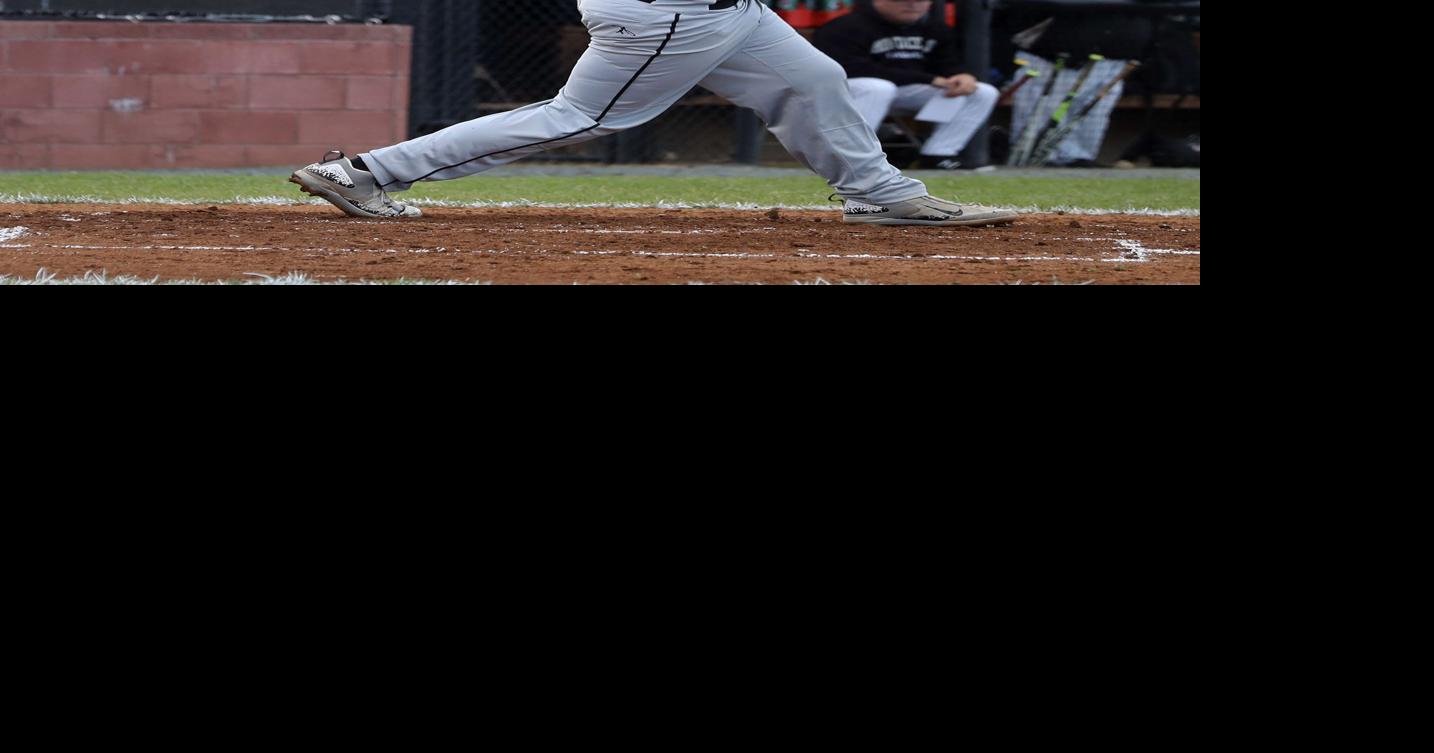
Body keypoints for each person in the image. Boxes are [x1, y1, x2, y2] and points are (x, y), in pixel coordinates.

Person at [290, 0, 1018, 227]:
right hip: (671, 11)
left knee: (814, 76)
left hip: (732, 11)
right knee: (579, 115)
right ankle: (365, 172)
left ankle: (879, 193)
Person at [815, 0, 1000, 170]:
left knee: (982, 92)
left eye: (920, 0)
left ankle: (938, 155)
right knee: (878, 87)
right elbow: (852, 69)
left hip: (906, 89)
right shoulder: (845, 27)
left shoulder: (934, 28)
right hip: (852, 90)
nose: (912, 5)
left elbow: (947, 63)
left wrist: (962, 76)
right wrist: (929, 79)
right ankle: (852, 157)